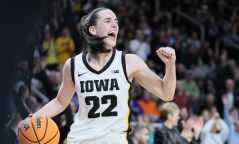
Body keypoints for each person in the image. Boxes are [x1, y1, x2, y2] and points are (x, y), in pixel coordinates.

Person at [18, 7, 176, 144]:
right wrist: (32, 119)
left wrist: (170, 65)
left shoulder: (129, 62)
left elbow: (166, 93)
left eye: (116, 22)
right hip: (79, 139)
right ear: (92, 30)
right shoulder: (73, 65)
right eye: (108, 21)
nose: (115, 24)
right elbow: (60, 102)